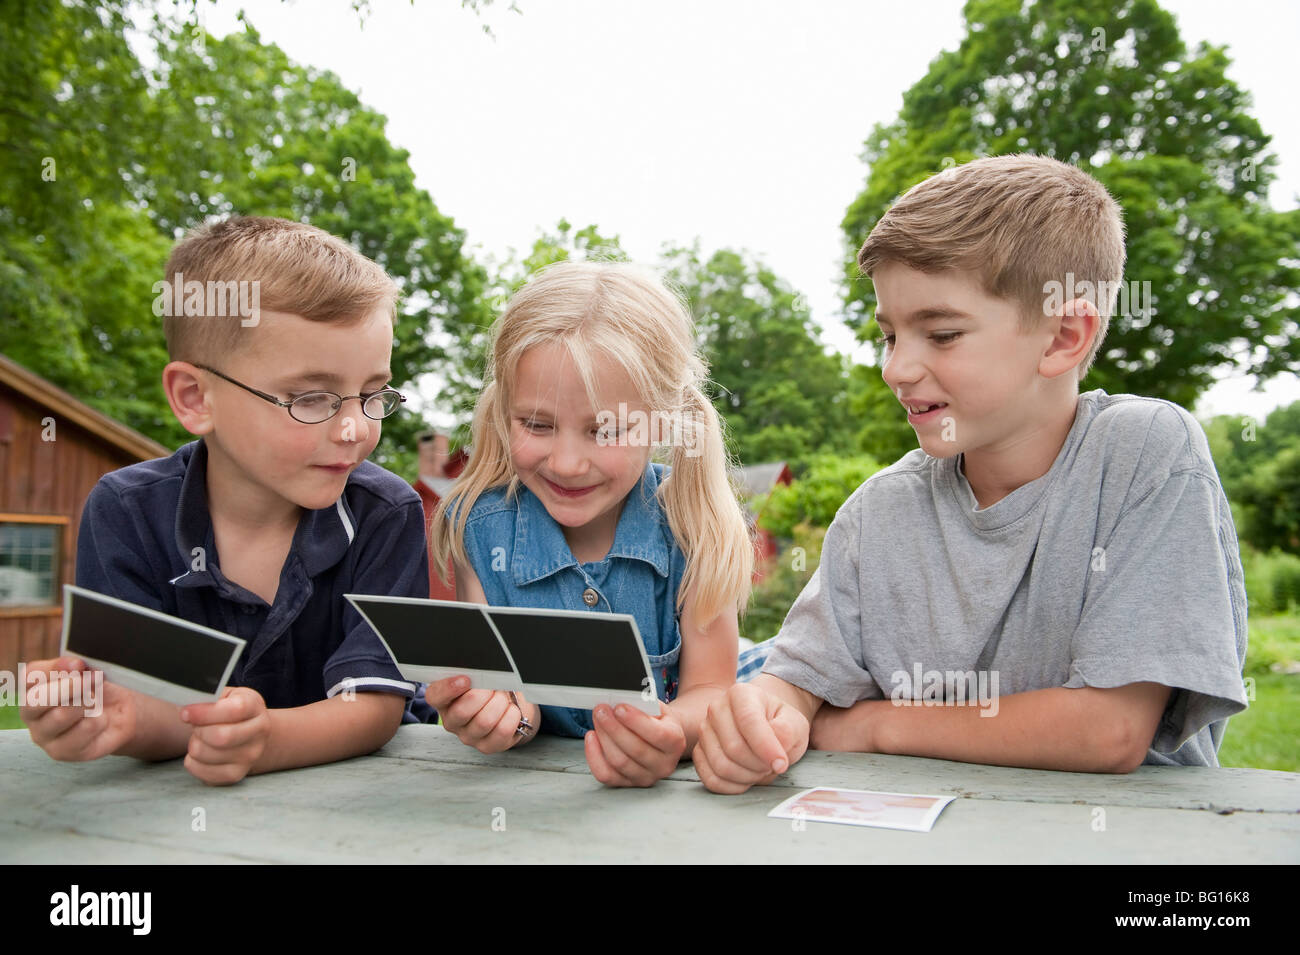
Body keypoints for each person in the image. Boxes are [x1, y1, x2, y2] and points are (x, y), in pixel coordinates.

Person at [694, 154, 1250, 793]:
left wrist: (878, 726)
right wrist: (770, 721)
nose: (897, 368)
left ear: (1063, 337)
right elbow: (793, 682)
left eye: (943, 334)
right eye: (889, 336)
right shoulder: (880, 511)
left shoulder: (1144, 452)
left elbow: (1109, 730)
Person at [21, 216, 429, 785]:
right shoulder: (125, 511)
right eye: (312, 397)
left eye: (370, 394)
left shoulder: (387, 513)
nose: (356, 428)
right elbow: (146, 704)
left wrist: (263, 741)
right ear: (195, 398)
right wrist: (113, 720)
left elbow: (375, 707)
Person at [423, 260, 766, 787]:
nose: (566, 462)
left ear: (663, 418)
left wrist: (667, 730)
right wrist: (501, 717)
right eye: (536, 425)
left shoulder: (695, 526)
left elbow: (711, 692)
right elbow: (508, 698)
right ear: (504, 412)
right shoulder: (477, 527)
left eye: (605, 431)